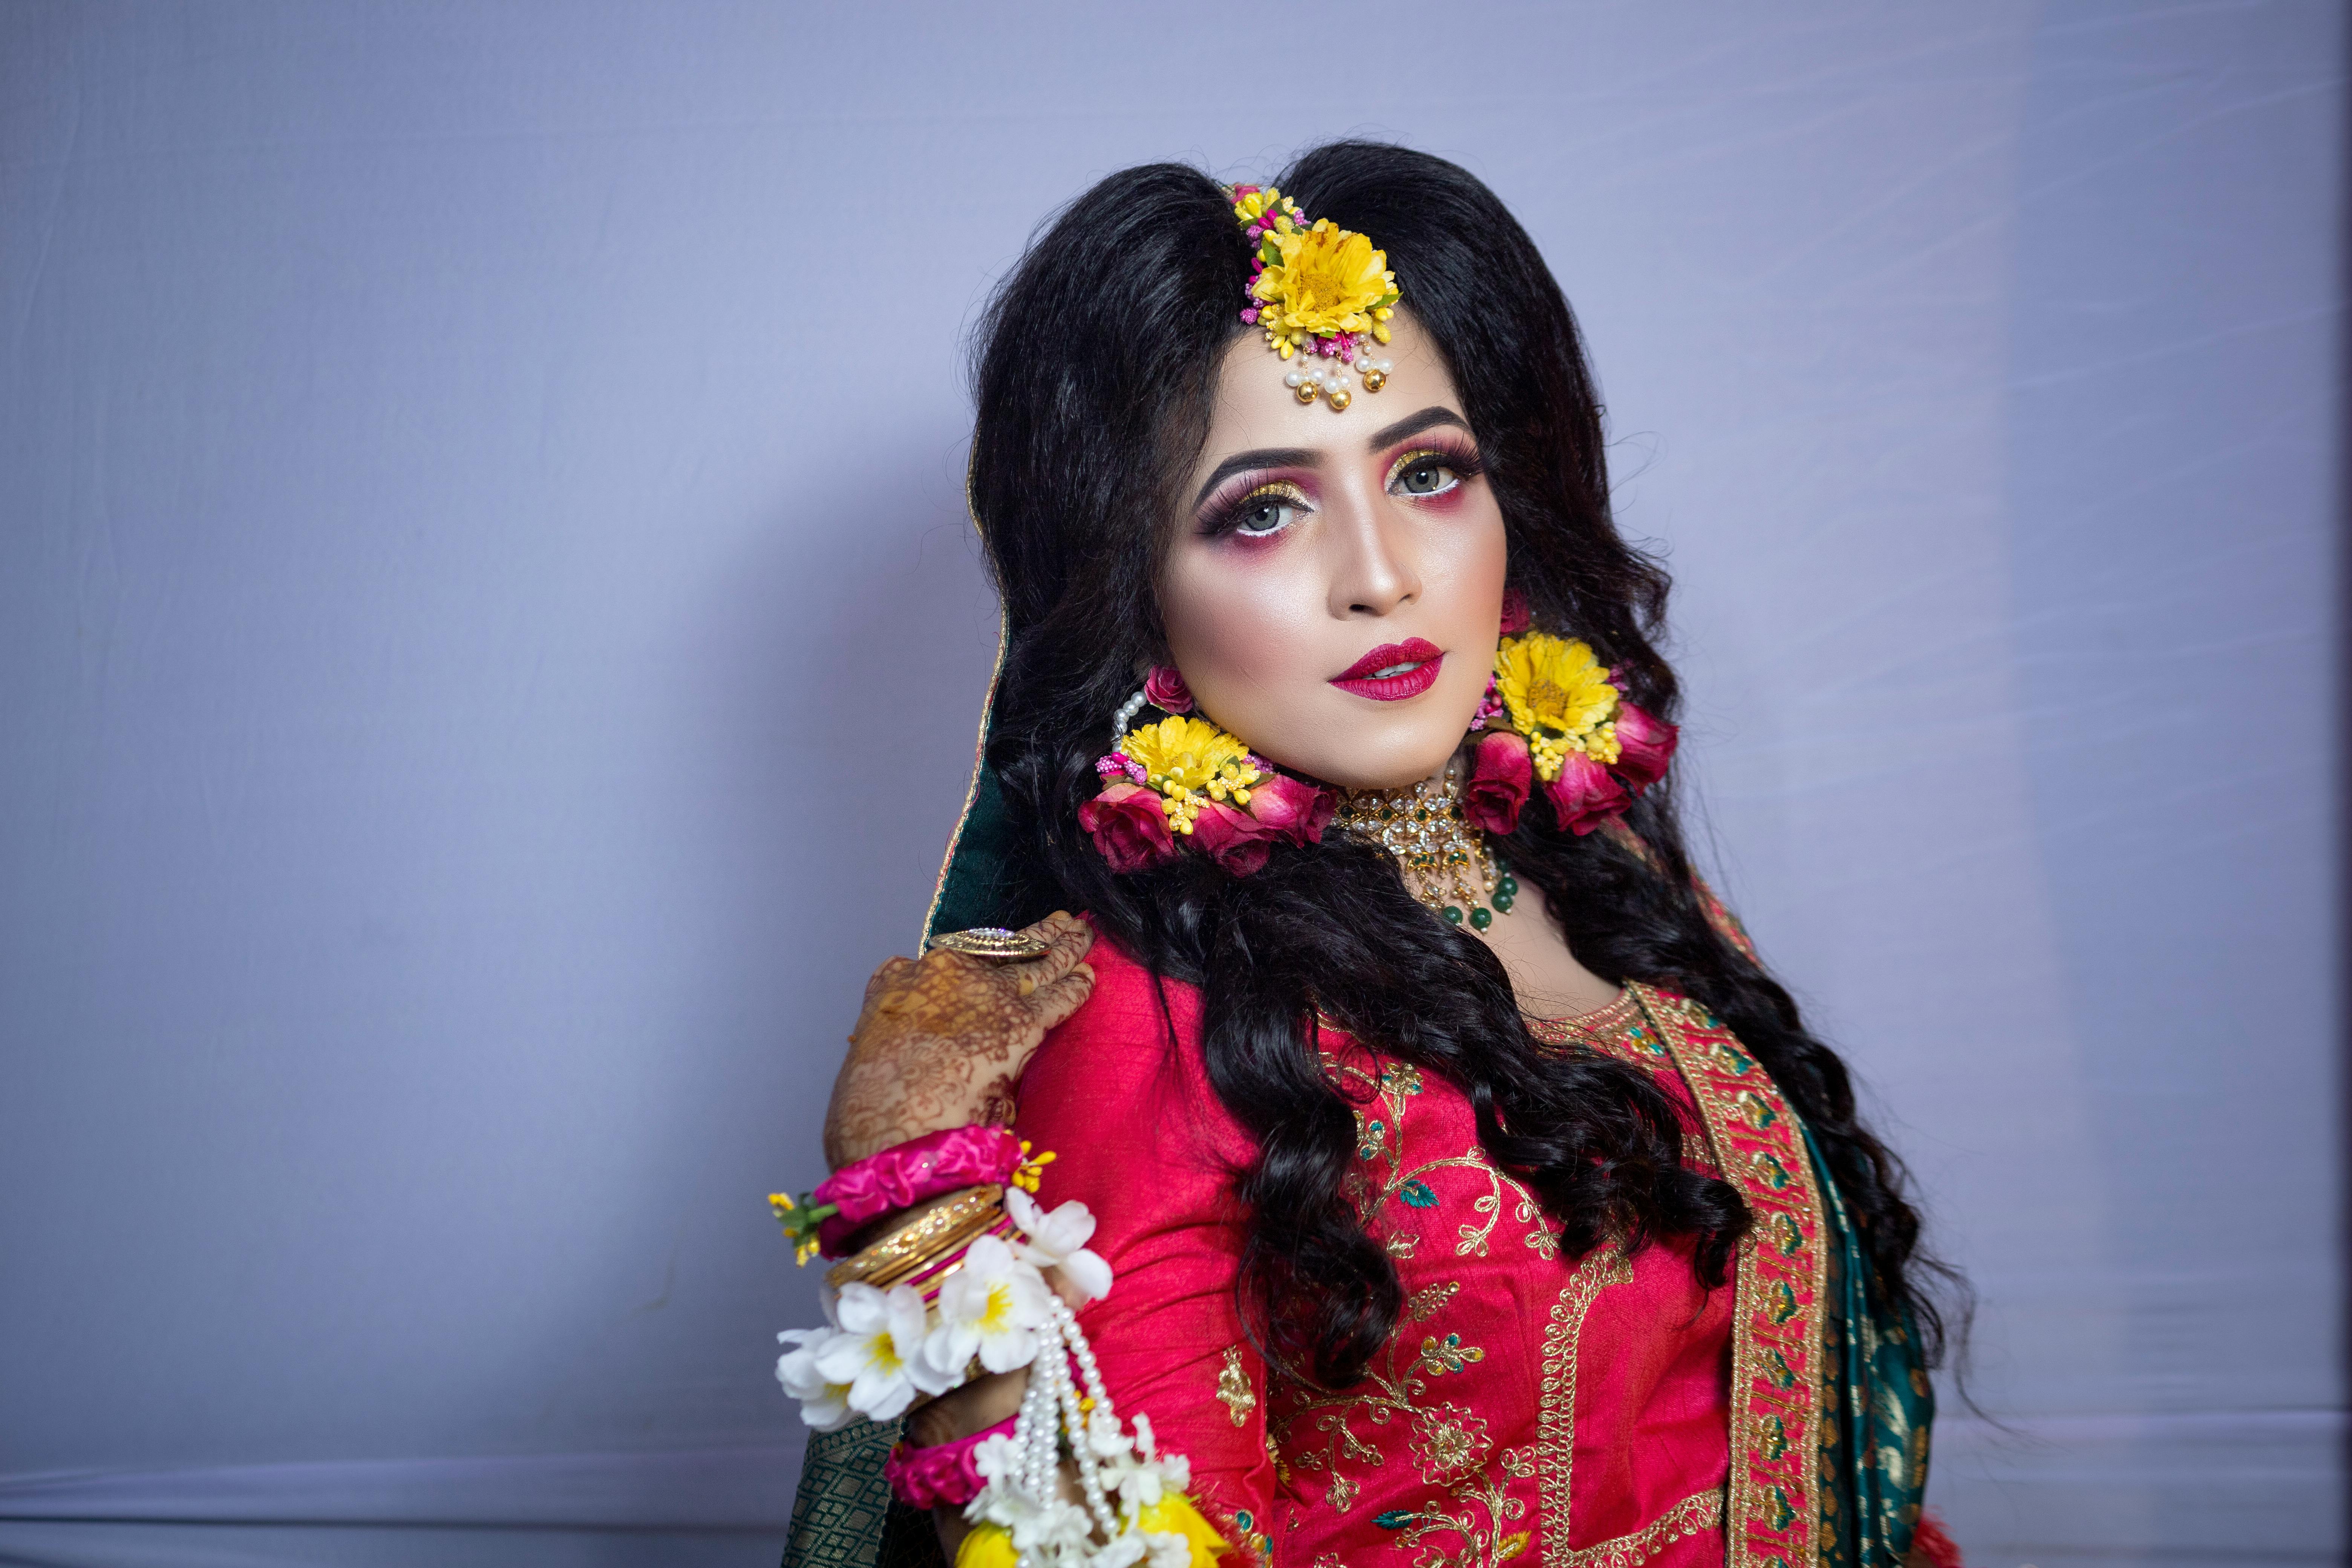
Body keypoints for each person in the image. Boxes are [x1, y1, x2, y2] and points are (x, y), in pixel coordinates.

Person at [772, 142, 1960, 1568]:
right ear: (1133, 597)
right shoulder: (1146, 1020)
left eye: (1429, 473)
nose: (1383, 573)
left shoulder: (1611, 885)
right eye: (1262, 510)